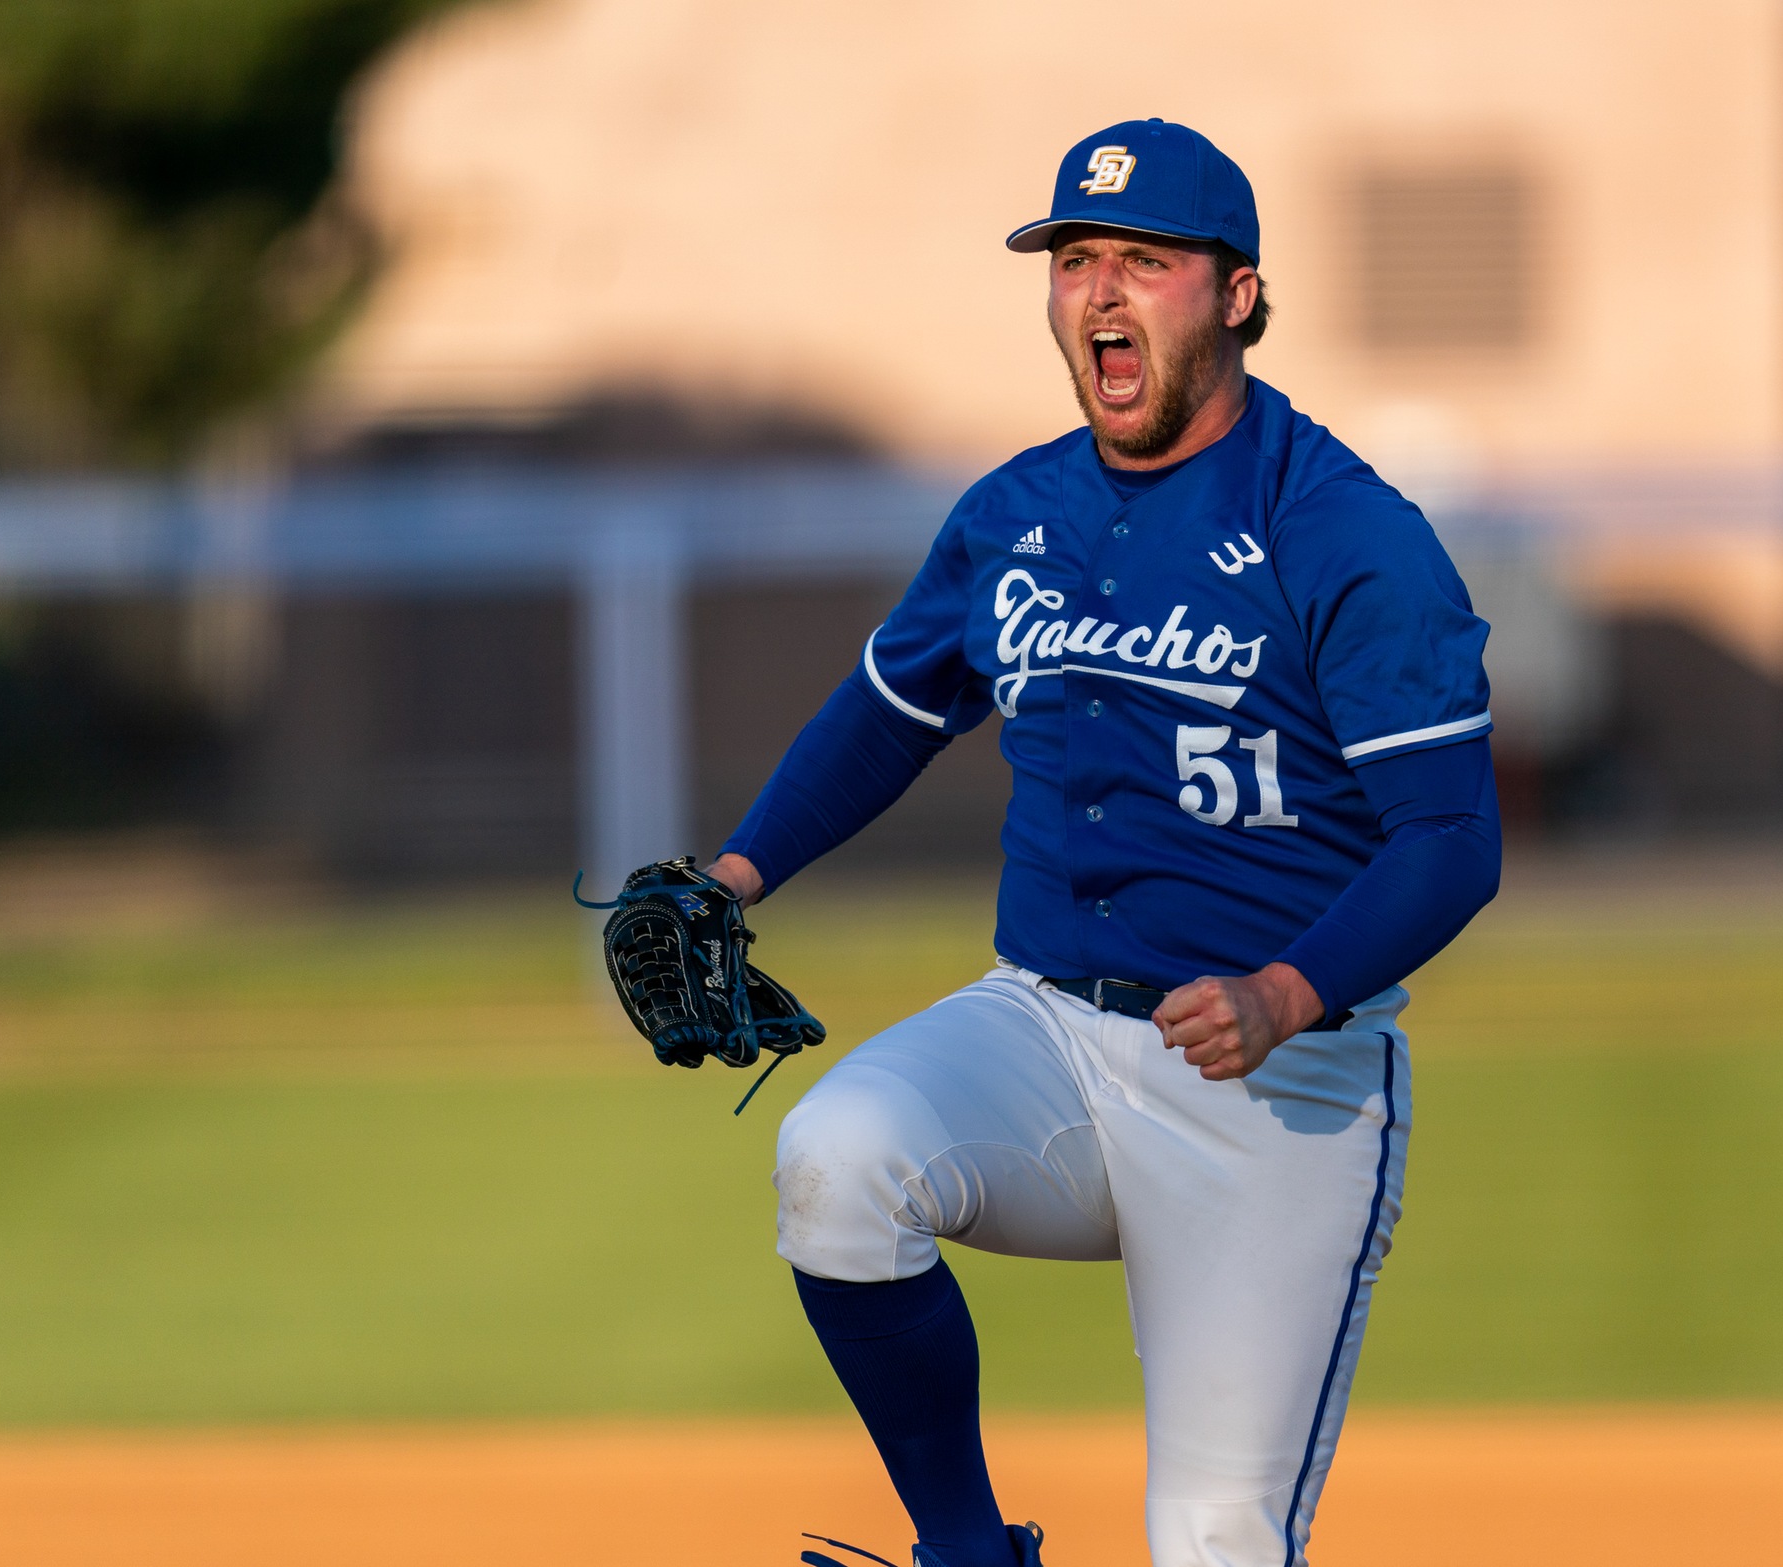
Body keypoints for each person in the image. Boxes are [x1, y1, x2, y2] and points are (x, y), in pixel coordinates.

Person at [706, 118, 1502, 1567]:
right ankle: (966, 1549)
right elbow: (892, 711)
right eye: (1077, 261)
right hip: (1051, 1036)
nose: (1104, 293)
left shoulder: (1348, 535)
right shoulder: (1017, 514)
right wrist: (734, 874)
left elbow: (1451, 840)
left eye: (1148, 260)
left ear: (1240, 296)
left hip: (1279, 1083)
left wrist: (1286, 991)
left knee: (1214, 1540)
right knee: (838, 1158)